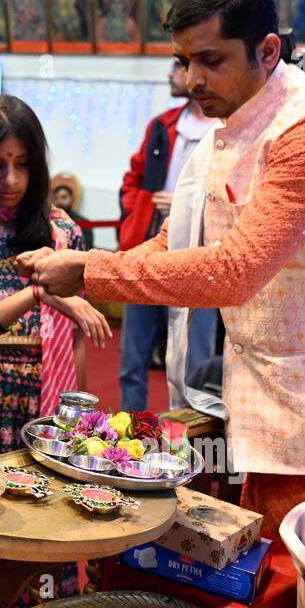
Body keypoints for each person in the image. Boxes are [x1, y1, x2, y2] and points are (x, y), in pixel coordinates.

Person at [19, 0, 305, 539]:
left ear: (267, 50)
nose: (192, 80)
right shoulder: (233, 128)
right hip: (282, 415)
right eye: (184, 61)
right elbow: (180, 242)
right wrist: (82, 264)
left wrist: (90, 270)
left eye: (210, 60)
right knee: (277, 601)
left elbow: (235, 270)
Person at [0, 94, 109, 608]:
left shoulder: (62, 232)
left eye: (23, 164)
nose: (10, 180)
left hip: (47, 409)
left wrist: (72, 418)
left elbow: (73, 341)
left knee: (45, 535)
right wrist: (40, 294)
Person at [116, 59, 219, 412]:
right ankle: (132, 438)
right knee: (133, 358)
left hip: (199, 257)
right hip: (148, 248)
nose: (172, 74)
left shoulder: (226, 130)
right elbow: (133, 177)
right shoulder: (161, 125)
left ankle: (193, 444)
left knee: (197, 362)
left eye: (179, 66)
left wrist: (186, 204)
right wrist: (136, 214)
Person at [49, 172, 93, 250]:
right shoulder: (49, 220)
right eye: (56, 198)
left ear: (71, 198)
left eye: (64, 197)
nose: (60, 201)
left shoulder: (83, 221)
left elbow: (88, 249)